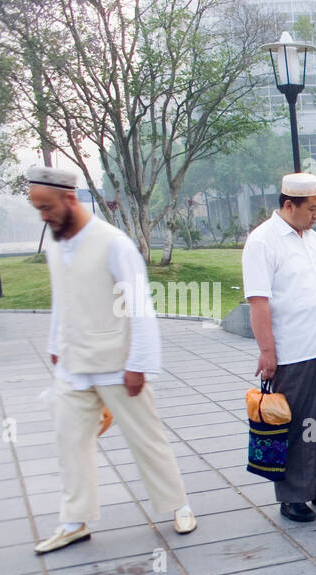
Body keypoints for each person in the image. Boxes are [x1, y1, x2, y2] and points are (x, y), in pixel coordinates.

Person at [27, 165, 197, 553]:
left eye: (47, 207)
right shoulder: (55, 242)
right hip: (73, 365)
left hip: (119, 365)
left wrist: (140, 364)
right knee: (70, 442)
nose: (43, 216)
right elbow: (62, 299)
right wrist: (56, 344)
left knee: (147, 440)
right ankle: (75, 521)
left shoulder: (113, 243)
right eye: (38, 208)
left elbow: (141, 308)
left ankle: (179, 506)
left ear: (69, 199)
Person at [243, 172, 316, 522]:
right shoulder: (263, 241)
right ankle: (293, 495)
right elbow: (258, 302)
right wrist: (267, 351)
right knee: (297, 425)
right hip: (293, 351)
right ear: (288, 205)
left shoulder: (315, 240)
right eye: (311, 208)